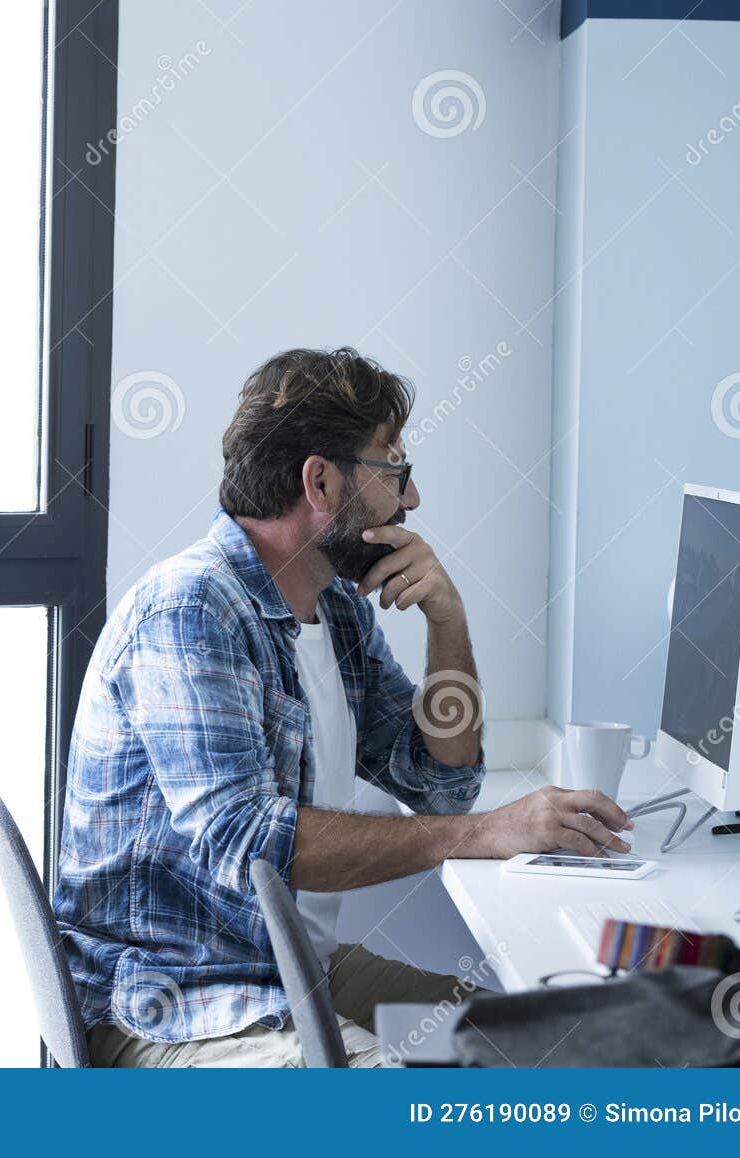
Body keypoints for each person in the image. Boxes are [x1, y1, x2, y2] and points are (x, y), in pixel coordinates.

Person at [55, 346, 633, 1068]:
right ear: (321, 480)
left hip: (287, 966)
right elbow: (246, 846)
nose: (412, 499)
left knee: (556, 1041)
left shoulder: (333, 608)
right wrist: (483, 833)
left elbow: (440, 786)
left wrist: (447, 621)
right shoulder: (190, 611)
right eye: (395, 470)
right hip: (182, 1002)